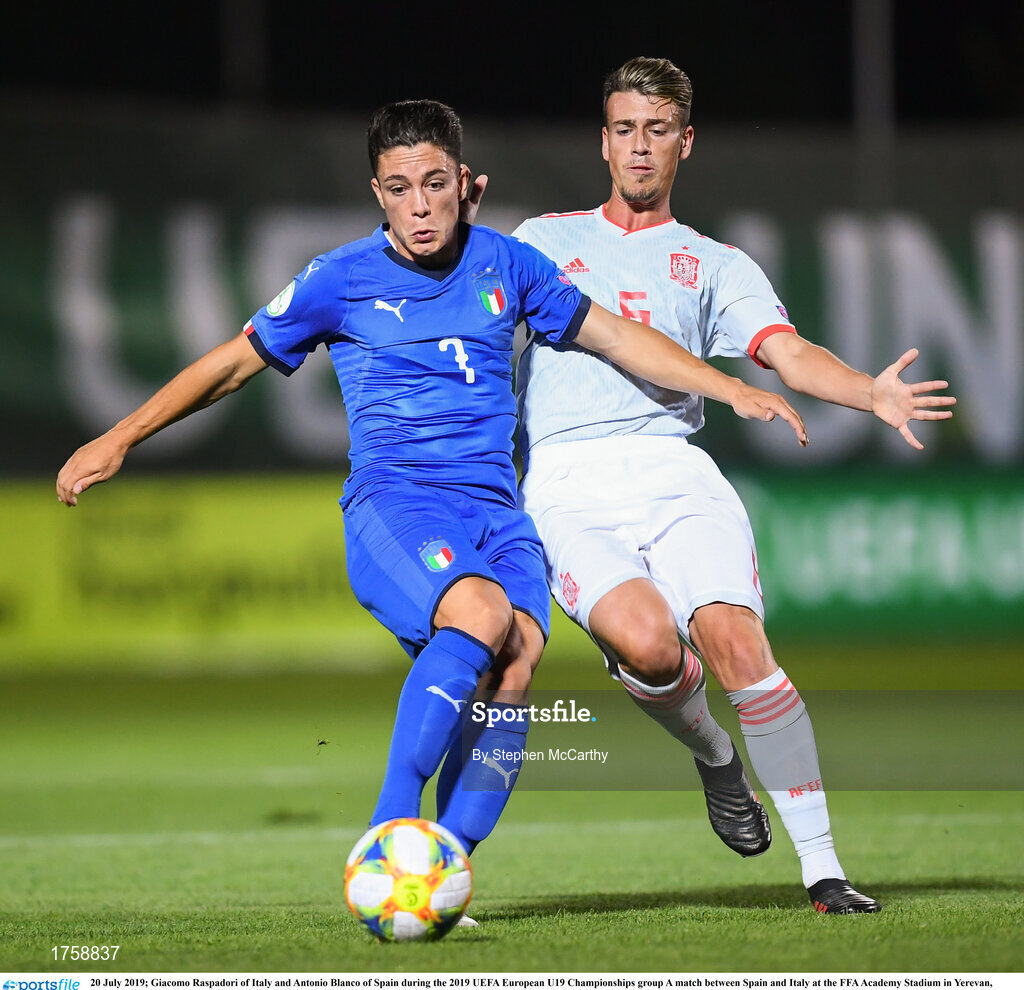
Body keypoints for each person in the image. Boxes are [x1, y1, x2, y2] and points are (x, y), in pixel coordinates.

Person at [55, 99, 808, 867]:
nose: (420, 204)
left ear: (463, 182)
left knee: (515, 660)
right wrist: (121, 437)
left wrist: (726, 386)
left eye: (434, 183)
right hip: (398, 502)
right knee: (480, 614)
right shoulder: (338, 279)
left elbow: (617, 337)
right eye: (399, 187)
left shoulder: (506, 265)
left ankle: (442, 865)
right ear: (377, 193)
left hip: (499, 514)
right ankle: (388, 839)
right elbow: (229, 364)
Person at [511, 58, 956, 914]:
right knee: (647, 646)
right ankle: (716, 756)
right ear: (603, 142)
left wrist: (870, 390)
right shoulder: (539, 241)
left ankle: (824, 871)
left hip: (676, 471)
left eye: (659, 130)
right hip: (567, 482)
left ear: (686, 141)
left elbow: (787, 353)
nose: (641, 148)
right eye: (626, 129)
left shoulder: (713, 263)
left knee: (737, 643)